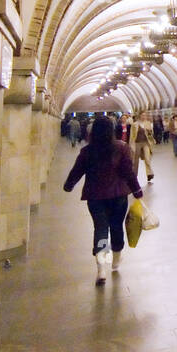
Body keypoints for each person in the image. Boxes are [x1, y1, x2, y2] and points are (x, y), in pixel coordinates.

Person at [63, 114, 143, 285]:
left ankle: (101, 269)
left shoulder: (87, 151)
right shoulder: (121, 148)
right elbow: (128, 172)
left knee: (100, 229)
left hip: (95, 197)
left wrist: (69, 184)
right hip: (118, 195)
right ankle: (116, 259)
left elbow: (77, 170)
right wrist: (136, 190)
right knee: (116, 227)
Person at [130, 112, 155, 183]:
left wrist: (149, 131)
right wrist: (131, 145)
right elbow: (132, 135)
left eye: (145, 115)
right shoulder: (134, 124)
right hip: (137, 143)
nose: (144, 117)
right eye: (143, 115)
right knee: (135, 160)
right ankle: (134, 175)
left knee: (147, 158)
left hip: (146, 143)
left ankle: (149, 174)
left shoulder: (148, 123)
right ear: (139, 116)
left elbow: (151, 134)